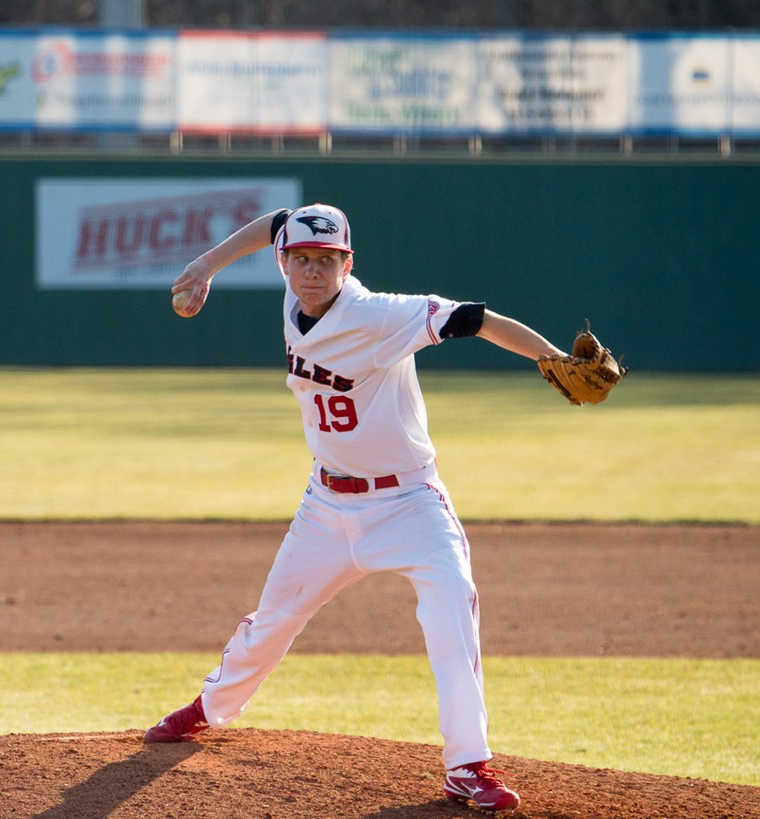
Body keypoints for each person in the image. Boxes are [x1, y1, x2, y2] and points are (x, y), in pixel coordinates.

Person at [146, 203, 565, 814]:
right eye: (301, 260)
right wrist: (208, 264)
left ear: (348, 263)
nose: (312, 272)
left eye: (327, 260)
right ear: (283, 263)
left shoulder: (379, 314)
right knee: (273, 620)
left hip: (409, 503)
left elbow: (477, 319)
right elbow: (274, 223)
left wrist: (552, 357)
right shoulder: (293, 296)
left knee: (452, 611)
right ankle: (209, 709)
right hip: (325, 505)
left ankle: (468, 765)